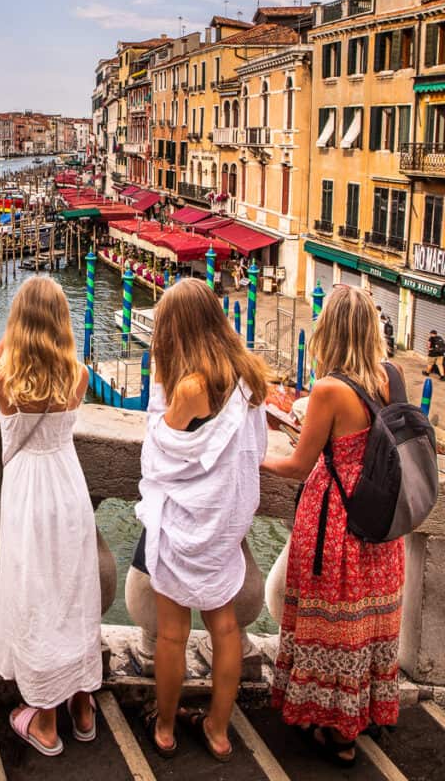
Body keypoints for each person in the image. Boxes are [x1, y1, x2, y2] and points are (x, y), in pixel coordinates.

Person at [263, 285, 405, 768]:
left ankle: (333, 731)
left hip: (337, 524)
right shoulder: (393, 376)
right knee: (365, 625)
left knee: (331, 627)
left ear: (331, 331)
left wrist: (257, 460)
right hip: (382, 527)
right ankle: (360, 714)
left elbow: (300, 465)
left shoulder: (329, 390)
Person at [134, 278, 268, 761]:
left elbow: (162, 452)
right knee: (225, 627)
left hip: (187, 525)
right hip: (224, 524)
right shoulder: (247, 375)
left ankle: (166, 728)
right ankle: (218, 730)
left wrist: (158, 388)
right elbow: (255, 447)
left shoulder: (190, 387)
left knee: (172, 633)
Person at [0, 277, 101, 757]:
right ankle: (84, 706)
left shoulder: (3, 378)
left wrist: (2, 350)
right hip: (69, 490)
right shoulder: (80, 375)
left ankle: (46, 723)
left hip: (29, 495)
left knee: (40, 600)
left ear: (19, 323)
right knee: (75, 595)